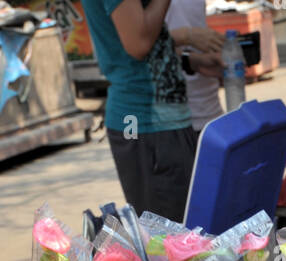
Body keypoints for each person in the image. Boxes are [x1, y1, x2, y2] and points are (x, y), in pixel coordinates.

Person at [81, 0, 211, 220]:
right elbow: (138, 43)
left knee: (186, 235)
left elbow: (144, 41)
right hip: (144, 123)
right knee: (171, 243)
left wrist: (194, 61)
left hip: (160, 123)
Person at [167, 0, 224, 134]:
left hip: (209, 109)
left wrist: (196, 60)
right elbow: (134, 43)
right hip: (167, 120)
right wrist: (187, 36)